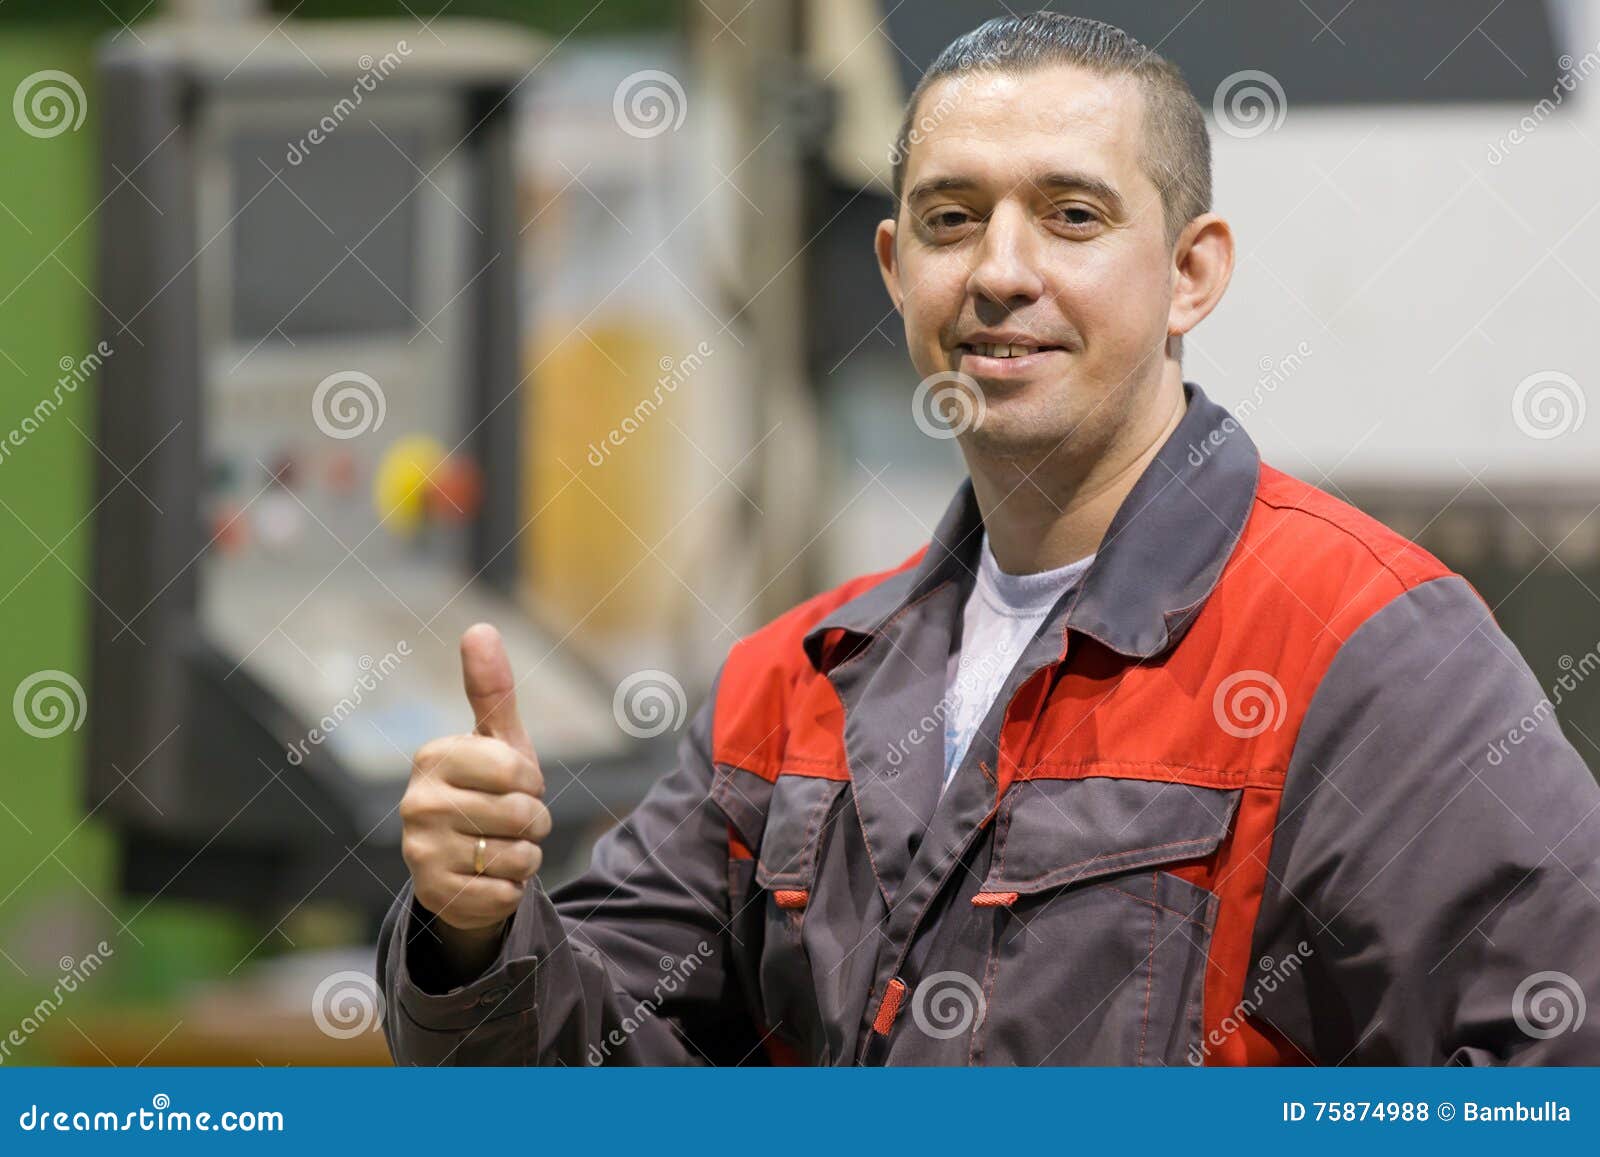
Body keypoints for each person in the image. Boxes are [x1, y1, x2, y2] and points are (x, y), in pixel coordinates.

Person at [377, 12, 1600, 1065]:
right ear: (895, 263)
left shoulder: (1369, 651)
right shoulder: (792, 681)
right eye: (951, 219)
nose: (1000, 271)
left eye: (1071, 215)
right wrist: (476, 926)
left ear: (1190, 273)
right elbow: (602, 1065)